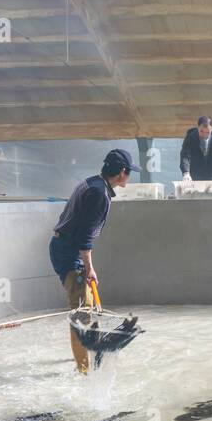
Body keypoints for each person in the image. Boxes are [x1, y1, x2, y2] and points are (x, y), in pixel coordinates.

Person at [48, 148, 133, 373]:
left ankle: (86, 356)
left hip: (64, 246)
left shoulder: (93, 183)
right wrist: (89, 269)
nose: (129, 176)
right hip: (69, 251)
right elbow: (85, 237)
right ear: (122, 172)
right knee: (82, 312)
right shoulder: (99, 193)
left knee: (87, 306)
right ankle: (83, 368)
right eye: (130, 172)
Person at [179, 116, 212, 186]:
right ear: (198, 127)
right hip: (195, 177)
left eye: (207, 132)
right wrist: (186, 172)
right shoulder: (190, 137)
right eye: (201, 131)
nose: (204, 135)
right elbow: (185, 156)